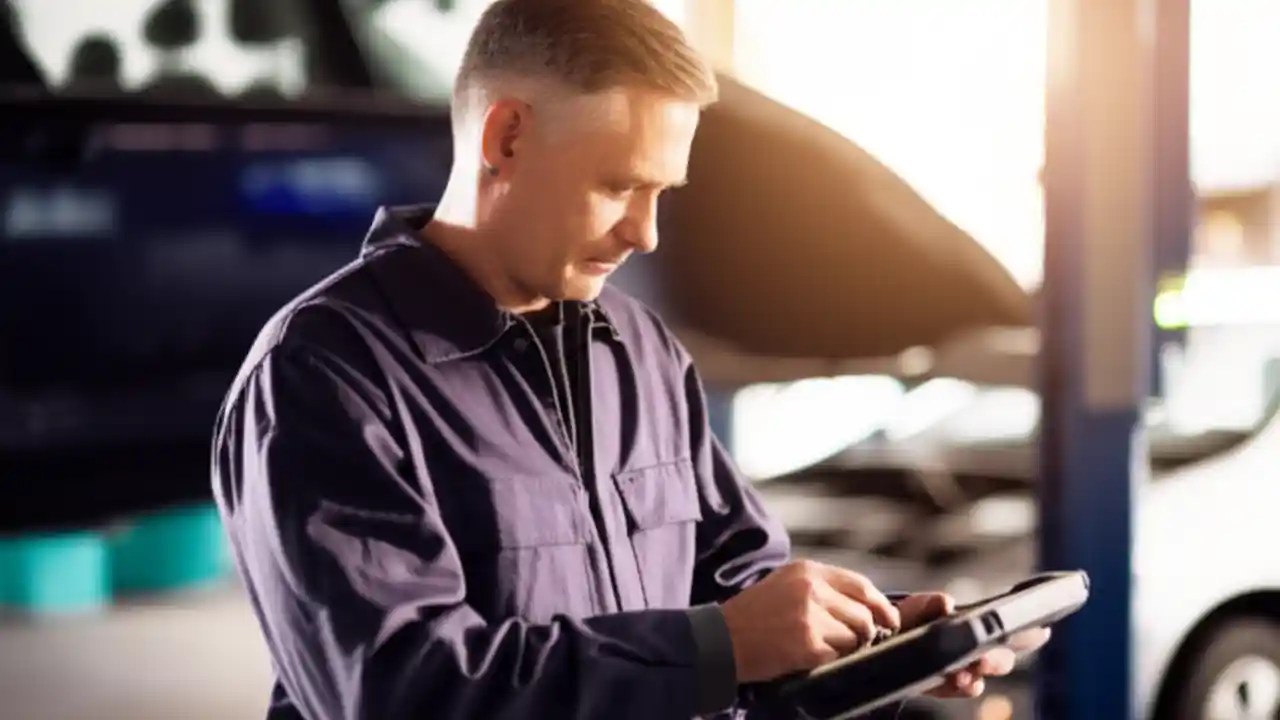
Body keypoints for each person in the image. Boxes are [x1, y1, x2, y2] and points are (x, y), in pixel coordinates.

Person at [210, 1, 1047, 718]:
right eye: (618, 186)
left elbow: (739, 588)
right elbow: (398, 689)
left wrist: (875, 639)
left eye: (662, 195)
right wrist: (714, 649)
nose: (644, 234)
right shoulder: (326, 376)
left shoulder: (639, 351)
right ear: (506, 136)